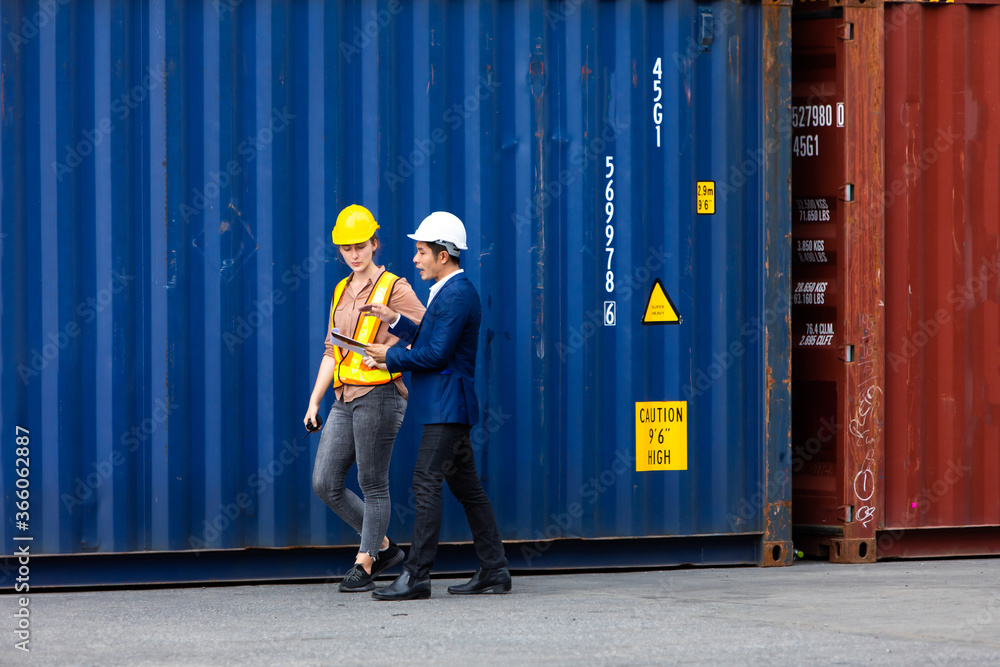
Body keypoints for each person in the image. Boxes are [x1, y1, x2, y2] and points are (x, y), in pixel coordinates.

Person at [363, 211, 510, 600]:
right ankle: (494, 569)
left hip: (447, 408)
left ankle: (416, 576)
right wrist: (395, 320)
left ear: (443, 255)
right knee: (470, 490)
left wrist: (388, 358)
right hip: (446, 407)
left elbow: (436, 354)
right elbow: (430, 338)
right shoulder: (447, 292)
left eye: (421, 251)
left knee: (424, 483)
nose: (415, 259)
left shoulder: (457, 294)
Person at [304, 204, 425, 593]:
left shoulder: (396, 287)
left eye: (360, 246)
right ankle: (385, 547)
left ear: (375, 244)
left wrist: (392, 323)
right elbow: (331, 349)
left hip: (381, 393)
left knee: (373, 483)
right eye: (346, 248)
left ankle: (367, 560)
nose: (354, 255)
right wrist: (314, 402)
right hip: (344, 396)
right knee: (325, 481)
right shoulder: (342, 290)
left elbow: (428, 334)